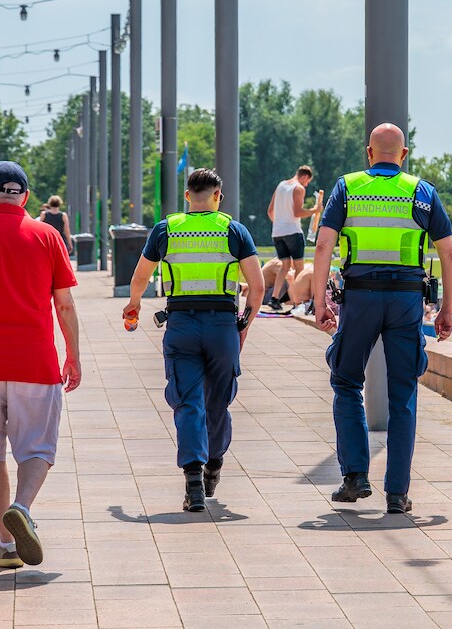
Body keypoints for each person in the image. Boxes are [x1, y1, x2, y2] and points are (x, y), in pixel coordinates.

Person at [312, 122, 452, 514]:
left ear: (369, 153)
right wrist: (446, 309)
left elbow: (325, 243)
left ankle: (355, 476)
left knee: (345, 381)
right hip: (406, 301)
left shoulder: (347, 187)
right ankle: (397, 493)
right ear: (404, 155)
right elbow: (449, 255)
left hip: (359, 297)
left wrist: (319, 300)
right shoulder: (422, 192)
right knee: (403, 393)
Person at [0, 161, 81, 569]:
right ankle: (21, 506)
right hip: (35, 361)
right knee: (37, 447)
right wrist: (73, 355)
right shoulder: (47, 235)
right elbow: (64, 303)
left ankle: (6, 544)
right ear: (25, 197)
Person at [122, 169, 264, 511]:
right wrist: (244, 323)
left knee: (188, 403)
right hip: (222, 327)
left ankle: (192, 483)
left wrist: (134, 307)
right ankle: (213, 464)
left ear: (187, 196)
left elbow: (141, 276)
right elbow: (257, 287)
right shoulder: (233, 230)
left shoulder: (166, 230)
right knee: (218, 403)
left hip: (182, 325)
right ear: (219, 196)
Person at [267, 165, 322, 311]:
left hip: (278, 232)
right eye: (307, 182)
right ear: (305, 177)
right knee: (299, 267)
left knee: (285, 265)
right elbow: (298, 212)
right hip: (293, 232)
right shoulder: (298, 188)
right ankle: (298, 301)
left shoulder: (280, 185)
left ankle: (274, 298)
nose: (306, 185)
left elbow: (270, 211)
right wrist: (314, 210)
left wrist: (280, 223)